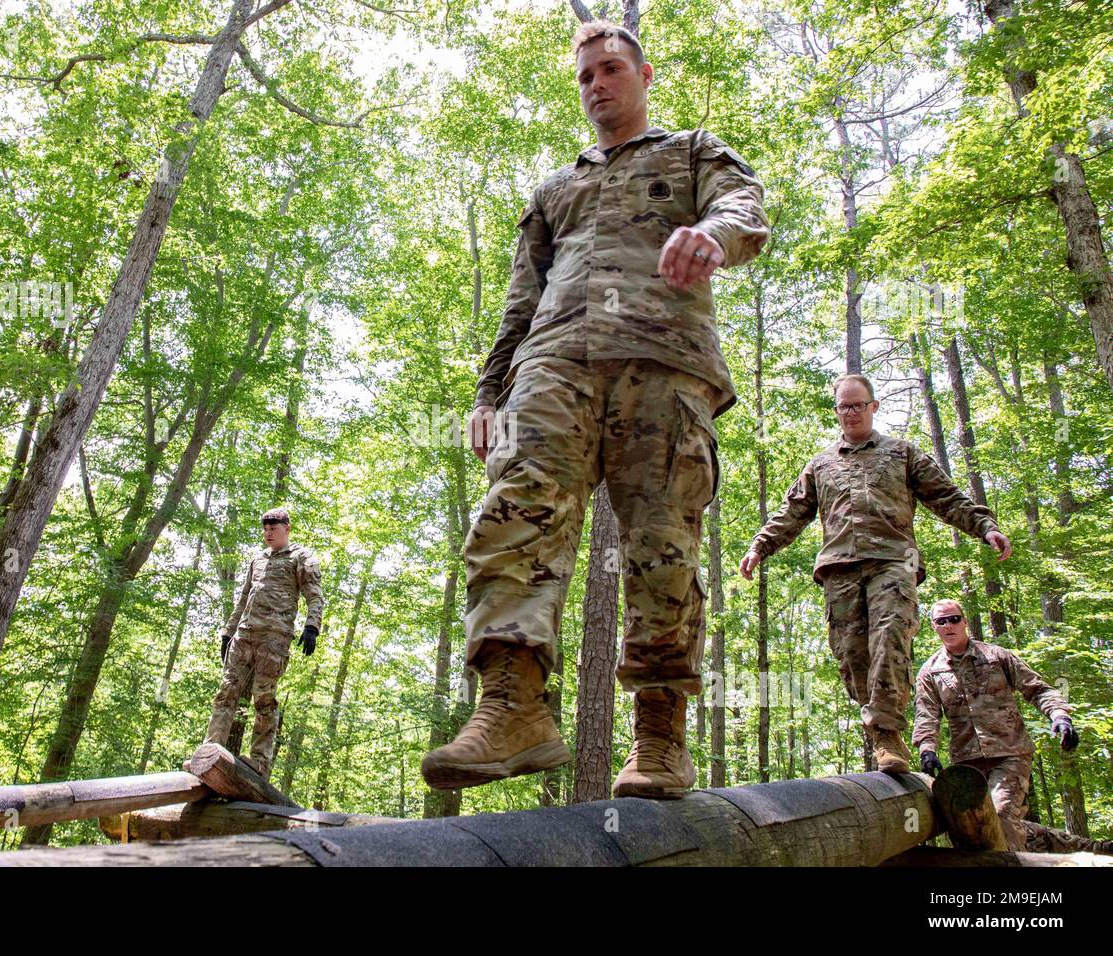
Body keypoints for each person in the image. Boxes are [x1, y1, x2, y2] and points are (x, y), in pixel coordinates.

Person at [420, 19, 770, 798]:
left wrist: (714, 233)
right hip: (551, 363)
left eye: (610, 69)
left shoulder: (690, 152)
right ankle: (512, 706)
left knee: (662, 543)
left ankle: (658, 735)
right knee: (515, 511)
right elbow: (520, 297)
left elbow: (744, 206)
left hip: (664, 360)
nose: (596, 85)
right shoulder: (555, 187)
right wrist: (488, 395)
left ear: (644, 75)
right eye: (584, 77)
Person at [739, 374, 1011, 774]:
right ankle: (880, 735)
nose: (851, 413)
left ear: (873, 406)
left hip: (893, 563)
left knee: (890, 636)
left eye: (858, 405)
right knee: (852, 656)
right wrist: (760, 546)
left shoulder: (901, 454)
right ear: (836, 411)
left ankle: (886, 730)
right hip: (839, 570)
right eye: (843, 406)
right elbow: (792, 511)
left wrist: (984, 526)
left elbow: (945, 495)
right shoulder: (820, 465)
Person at [913, 599, 1108, 854]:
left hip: (1010, 753)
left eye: (954, 619)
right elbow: (926, 715)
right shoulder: (930, 672)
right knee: (970, 827)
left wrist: (1060, 716)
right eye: (941, 621)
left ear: (965, 622)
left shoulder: (995, 656)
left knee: (1001, 815)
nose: (949, 625)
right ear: (934, 627)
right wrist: (927, 749)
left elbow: (1037, 689)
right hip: (967, 762)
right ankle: (1071, 845)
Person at [202, 508, 323, 779]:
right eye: (265, 528)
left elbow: (314, 596)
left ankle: (259, 765)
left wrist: (312, 626)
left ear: (287, 528)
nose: (268, 532)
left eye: (274, 527)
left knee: (264, 700)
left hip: (274, 640)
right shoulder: (257, 559)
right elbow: (243, 598)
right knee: (225, 694)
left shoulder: (301, 557)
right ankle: (210, 751)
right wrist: (227, 631)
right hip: (244, 636)